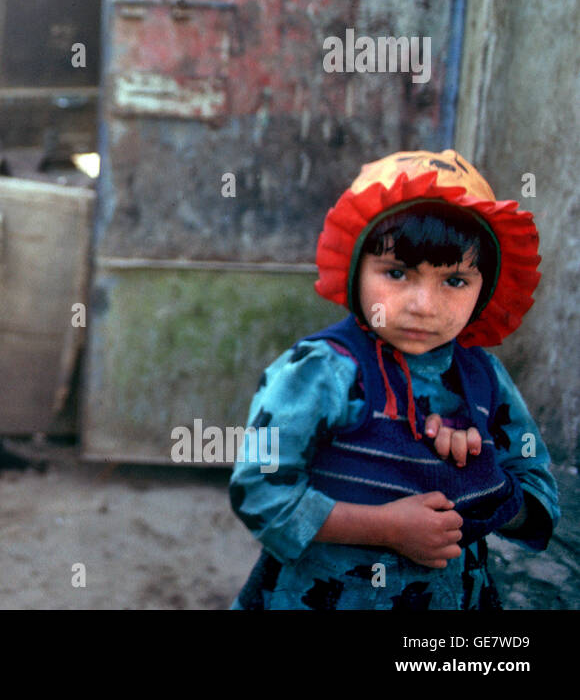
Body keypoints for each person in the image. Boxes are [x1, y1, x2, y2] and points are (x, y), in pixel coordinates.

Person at [229, 150, 559, 609]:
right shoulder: (321, 371)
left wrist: (489, 487)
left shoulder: (484, 379)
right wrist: (386, 527)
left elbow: (540, 496)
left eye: (455, 281)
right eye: (397, 273)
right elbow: (259, 492)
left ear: (487, 287)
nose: (423, 305)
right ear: (354, 271)